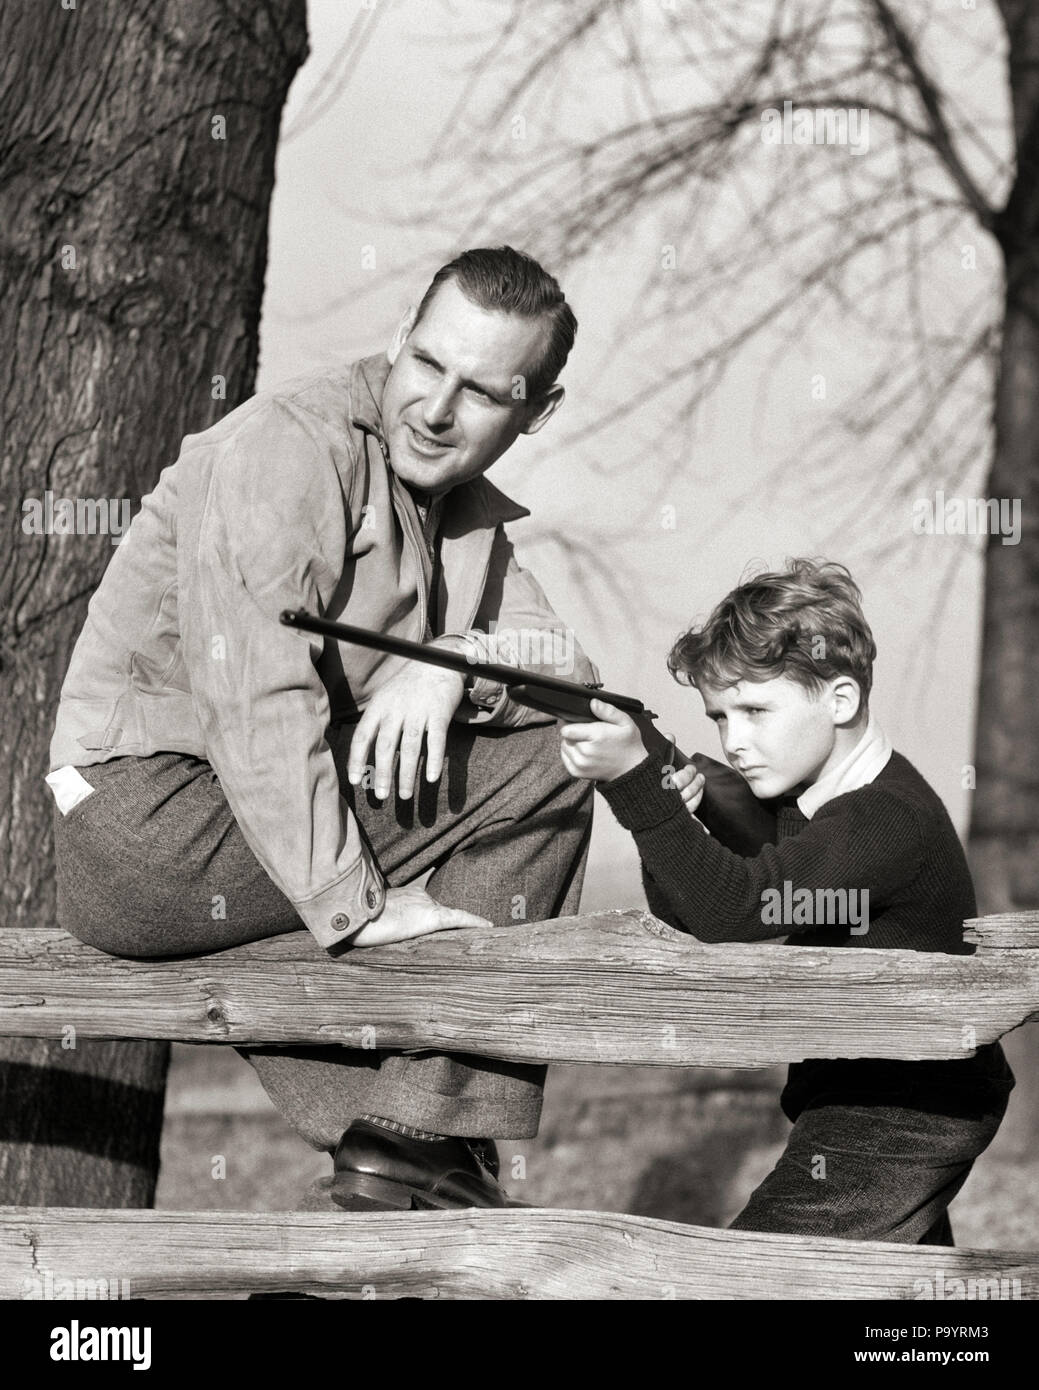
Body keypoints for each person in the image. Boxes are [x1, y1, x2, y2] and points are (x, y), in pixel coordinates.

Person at [46, 246, 599, 1212]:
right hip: (148, 819)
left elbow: (571, 679)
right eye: (426, 364)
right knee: (547, 766)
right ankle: (426, 1133)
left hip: (231, 836)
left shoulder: (460, 518)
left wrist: (454, 661)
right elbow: (255, 697)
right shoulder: (288, 451)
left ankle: (398, 1162)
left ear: (535, 411)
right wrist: (357, 903)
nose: (435, 407)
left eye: (480, 390)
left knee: (560, 734)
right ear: (397, 342)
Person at [558, 558, 1014, 1243]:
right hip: (862, 1100)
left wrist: (638, 791)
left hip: (905, 1108)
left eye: (754, 710)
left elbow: (735, 910)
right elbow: (690, 916)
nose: (733, 741)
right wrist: (682, 815)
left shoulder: (880, 821)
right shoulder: (813, 807)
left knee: (747, 1281)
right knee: (900, 1303)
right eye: (718, 716)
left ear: (839, 700)